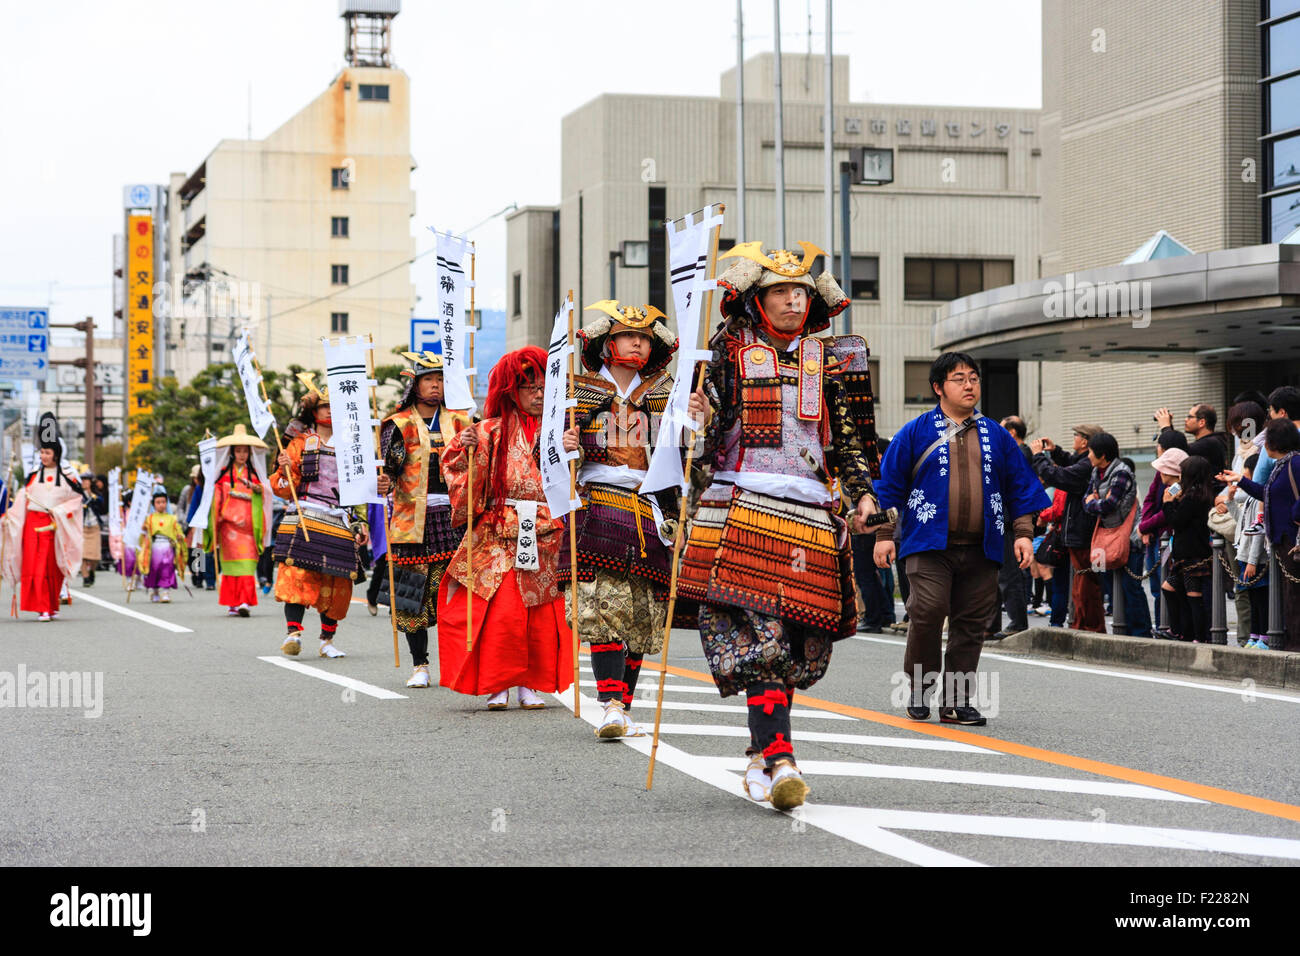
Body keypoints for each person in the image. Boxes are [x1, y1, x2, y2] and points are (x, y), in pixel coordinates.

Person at [681, 240, 881, 810]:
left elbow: (851, 442)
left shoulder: (836, 358)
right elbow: (703, 431)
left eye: (800, 291)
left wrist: (863, 495)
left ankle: (760, 754)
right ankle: (781, 758)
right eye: (779, 292)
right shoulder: (724, 353)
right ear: (756, 299)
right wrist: (694, 417)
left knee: (795, 643)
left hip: (813, 513)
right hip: (742, 504)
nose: (792, 301)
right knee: (761, 639)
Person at [874, 352, 1049, 727]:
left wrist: (1022, 534)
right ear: (939, 387)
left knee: (972, 623)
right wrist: (884, 536)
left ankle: (956, 702)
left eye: (973, 378)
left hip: (982, 547)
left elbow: (1020, 489)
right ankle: (920, 689)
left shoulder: (998, 436)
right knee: (928, 612)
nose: (969, 385)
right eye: (959, 378)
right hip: (927, 545)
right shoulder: (914, 432)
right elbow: (887, 488)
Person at [558, 300, 679, 738]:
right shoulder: (577, 392)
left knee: (641, 612)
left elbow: (693, 457)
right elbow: (547, 458)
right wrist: (565, 441)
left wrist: (697, 424)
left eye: (645, 336)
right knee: (602, 605)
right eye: (629, 335)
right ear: (607, 344)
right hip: (597, 503)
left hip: (650, 506)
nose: (638, 343)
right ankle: (609, 703)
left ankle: (622, 706)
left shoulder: (668, 395)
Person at [437, 346, 574, 709]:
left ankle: (530, 684)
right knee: (501, 611)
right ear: (511, 390)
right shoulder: (488, 431)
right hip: (497, 531)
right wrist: (461, 448)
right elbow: (452, 467)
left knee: (538, 612)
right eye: (530, 386)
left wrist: (575, 451)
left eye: (545, 386)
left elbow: (580, 479)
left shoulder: (561, 432)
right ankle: (498, 683)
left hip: (545, 530)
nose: (539, 394)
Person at [376, 351, 468, 689]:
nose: (435, 386)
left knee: (456, 593)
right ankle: (420, 664)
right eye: (429, 379)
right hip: (411, 518)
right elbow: (388, 469)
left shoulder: (461, 422)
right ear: (415, 385)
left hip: (455, 517)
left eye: (441, 380)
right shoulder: (397, 424)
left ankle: (458, 662)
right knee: (412, 594)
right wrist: (383, 480)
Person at [271, 375, 368, 659]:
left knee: (337, 580)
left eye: (334, 406)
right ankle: (293, 633)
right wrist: (286, 469)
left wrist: (359, 521)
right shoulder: (300, 443)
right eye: (324, 406)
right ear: (313, 412)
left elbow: (359, 488)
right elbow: (284, 490)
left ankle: (327, 640)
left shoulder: (352, 446)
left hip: (338, 516)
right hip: (305, 511)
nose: (329, 411)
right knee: (296, 573)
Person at [1220, 417, 1300, 651]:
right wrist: (1241, 481)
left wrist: (1296, 513)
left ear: (1275, 442)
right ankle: (1291, 643)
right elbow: (1267, 493)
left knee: (1294, 596)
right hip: (1284, 539)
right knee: (1289, 596)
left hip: (1293, 540)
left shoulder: (1295, 463)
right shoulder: (1283, 464)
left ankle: (1295, 646)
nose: (1263, 446)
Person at [1, 415, 84, 621]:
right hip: (32, 526)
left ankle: (49, 605)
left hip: (54, 527)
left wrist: (59, 512)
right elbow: (22, 500)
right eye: (42, 452)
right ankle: (42, 607)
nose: (44, 456)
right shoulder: (33, 475)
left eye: (47, 452)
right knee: (34, 567)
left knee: (51, 568)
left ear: (56, 454)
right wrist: (9, 517)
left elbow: (76, 500)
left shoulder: (67, 476)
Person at [1031, 424, 1103, 632]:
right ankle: (1073, 622)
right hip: (1073, 533)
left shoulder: (1087, 466)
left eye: (1077, 435)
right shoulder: (1085, 463)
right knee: (1077, 582)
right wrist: (1055, 451)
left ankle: (1085, 625)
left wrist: (1039, 456)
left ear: (1086, 441)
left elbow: (1059, 476)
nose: (1074, 437)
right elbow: (1072, 464)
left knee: (1085, 583)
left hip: (1081, 534)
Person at [1081, 434, 1150, 636]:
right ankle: (1123, 629)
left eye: (1091, 452)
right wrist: (1093, 502)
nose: (1088, 456)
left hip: (1128, 538)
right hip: (1105, 537)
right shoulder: (1096, 472)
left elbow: (1109, 504)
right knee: (1109, 584)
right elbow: (1086, 500)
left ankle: (1141, 633)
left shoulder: (1122, 473)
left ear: (1102, 455)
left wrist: (1093, 502)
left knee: (1131, 587)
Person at [207, 424, 273, 618]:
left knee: (247, 566)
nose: (242, 454)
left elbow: (265, 492)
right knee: (231, 567)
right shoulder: (223, 476)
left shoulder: (253, 475)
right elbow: (217, 496)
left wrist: (255, 488)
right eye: (238, 451)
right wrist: (215, 519)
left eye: (245, 451)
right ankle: (233, 603)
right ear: (232, 452)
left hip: (248, 527)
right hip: (229, 529)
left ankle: (244, 601)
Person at [1159, 455, 1214, 643]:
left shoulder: (1193, 497)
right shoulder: (1196, 494)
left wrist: (1168, 502)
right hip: (1187, 555)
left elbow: (1176, 521)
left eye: (1182, 473)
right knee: (1171, 589)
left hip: (1192, 555)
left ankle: (1195, 635)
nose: (1179, 477)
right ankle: (1182, 631)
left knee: (1193, 596)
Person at [138, 489, 187, 603]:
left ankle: (165, 592)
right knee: (154, 569)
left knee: (167, 568)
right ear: (154, 504)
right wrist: (144, 530)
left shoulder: (172, 518)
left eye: (163, 502)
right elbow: (144, 534)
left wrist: (179, 536)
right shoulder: (149, 519)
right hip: (154, 547)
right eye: (158, 502)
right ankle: (155, 592)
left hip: (167, 547)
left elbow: (178, 531)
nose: (161, 504)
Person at [1155, 404, 1227, 477]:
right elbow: (1178, 451)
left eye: (1190, 417)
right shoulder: (1212, 441)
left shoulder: (1211, 443)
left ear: (1201, 422)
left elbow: (1178, 454)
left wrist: (1166, 427)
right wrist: (1169, 427)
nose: (1185, 419)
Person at [78, 467, 104, 586]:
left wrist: (94, 498)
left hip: (94, 526)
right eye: (82, 480)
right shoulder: (78, 495)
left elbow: (102, 506)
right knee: (82, 555)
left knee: (94, 556)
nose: (84, 482)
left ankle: (92, 571)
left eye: (86, 480)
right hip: (82, 527)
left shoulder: (96, 495)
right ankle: (85, 577)